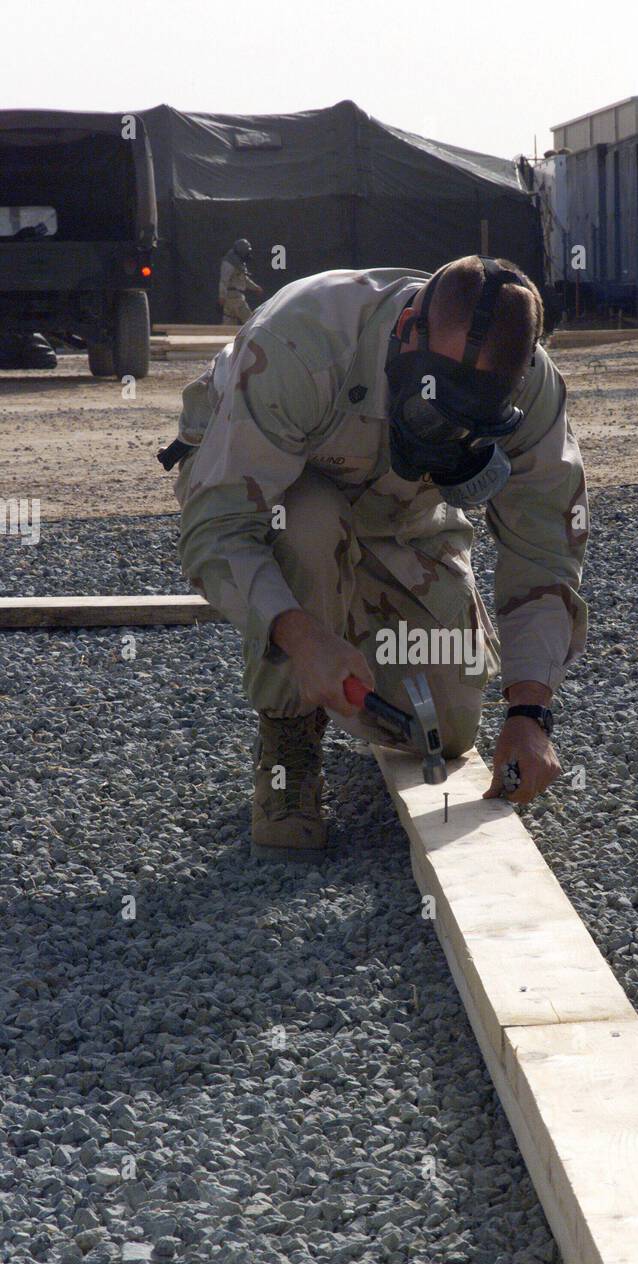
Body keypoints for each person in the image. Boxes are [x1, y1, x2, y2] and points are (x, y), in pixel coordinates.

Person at [170, 256, 589, 860]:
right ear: (408, 328)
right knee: (309, 521)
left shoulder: (532, 386)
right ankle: (289, 741)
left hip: (400, 515)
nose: (441, 426)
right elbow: (220, 527)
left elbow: (544, 545)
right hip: (271, 492)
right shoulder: (301, 343)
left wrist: (530, 711)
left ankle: (345, 628)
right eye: (429, 404)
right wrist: (302, 638)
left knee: (444, 731)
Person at [218, 238, 263, 325]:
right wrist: (222, 296)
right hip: (234, 296)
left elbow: (244, 279)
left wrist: (255, 287)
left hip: (234, 296)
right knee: (249, 322)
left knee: (229, 322)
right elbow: (224, 281)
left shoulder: (238, 263)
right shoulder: (229, 263)